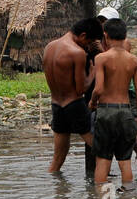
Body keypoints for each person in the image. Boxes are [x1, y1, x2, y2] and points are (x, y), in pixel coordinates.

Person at [94, 6, 137, 173]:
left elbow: (116, 61)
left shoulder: (120, 45)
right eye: (101, 21)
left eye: (105, 22)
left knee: (133, 141)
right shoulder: (104, 43)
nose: (102, 25)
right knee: (123, 155)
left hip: (126, 96)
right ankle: (126, 193)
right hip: (116, 101)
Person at [43, 18, 103, 175]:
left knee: (57, 158)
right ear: (83, 35)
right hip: (74, 104)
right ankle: (102, 189)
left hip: (56, 104)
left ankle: (58, 193)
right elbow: (80, 89)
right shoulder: (77, 53)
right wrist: (93, 72)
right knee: (100, 149)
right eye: (89, 42)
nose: (88, 46)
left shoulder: (49, 47)